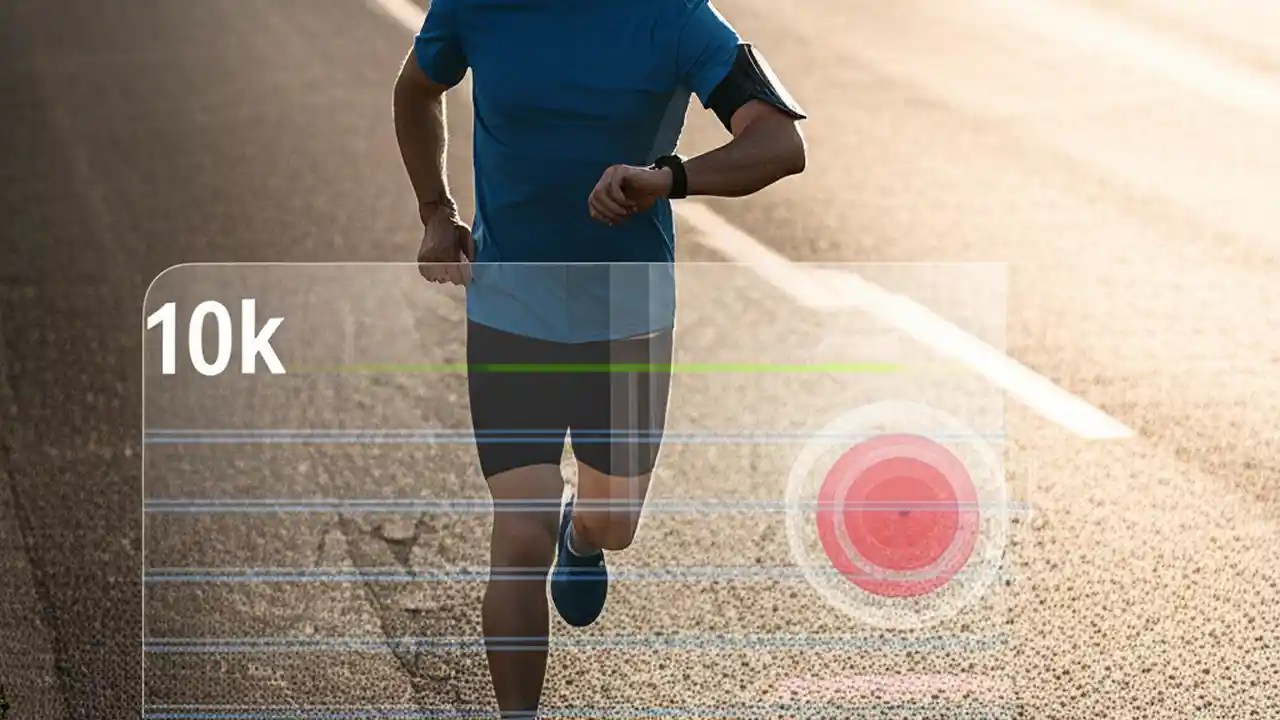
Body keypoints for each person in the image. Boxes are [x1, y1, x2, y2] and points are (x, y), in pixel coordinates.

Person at [393, 0, 806, 715]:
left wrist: (667, 178)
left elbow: (778, 144)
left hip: (627, 316)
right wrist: (436, 211)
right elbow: (416, 89)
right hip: (511, 306)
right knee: (519, 534)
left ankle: (582, 535)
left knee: (614, 522)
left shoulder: (675, 16)